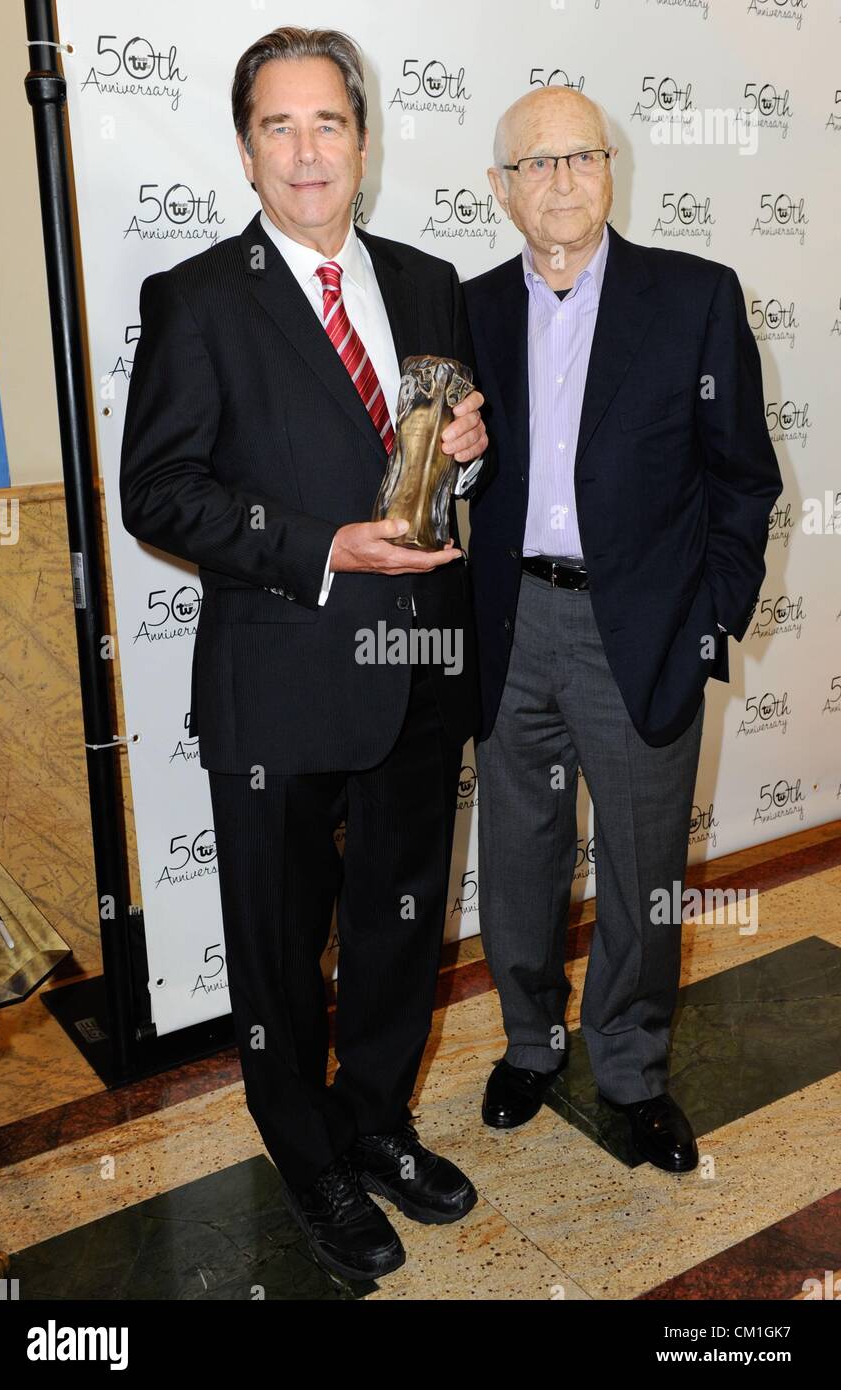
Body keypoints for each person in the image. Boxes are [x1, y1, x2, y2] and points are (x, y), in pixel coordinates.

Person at [120, 26, 489, 1282]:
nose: (306, 148)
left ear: (364, 137)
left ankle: (377, 1123)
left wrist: (467, 450)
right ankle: (307, 1153)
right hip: (277, 683)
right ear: (244, 148)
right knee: (278, 949)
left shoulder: (430, 282)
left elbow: (436, 455)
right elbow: (158, 492)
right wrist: (319, 545)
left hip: (419, 676)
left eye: (327, 121)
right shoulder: (198, 298)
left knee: (398, 931)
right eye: (277, 126)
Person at [463, 85, 782, 1171]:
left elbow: (745, 479)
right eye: (535, 164)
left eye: (580, 156)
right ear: (501, 190)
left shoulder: (692, 298)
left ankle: (634, 1070)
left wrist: (712, 616)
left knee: (645, 868)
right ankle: (530, 1044)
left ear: (612, 168)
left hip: (640, 633)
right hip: (509, 627)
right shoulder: (465, 312)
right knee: (516, 861)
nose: (561, 181)